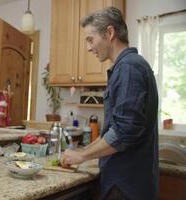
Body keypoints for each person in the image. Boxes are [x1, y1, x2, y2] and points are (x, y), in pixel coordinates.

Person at [60, 7, 159, 200]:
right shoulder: (126, 67)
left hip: (126, 185)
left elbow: (123, 132)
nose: (88, 48)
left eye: (90, 39)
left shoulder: (129, 67)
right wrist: (82, 151)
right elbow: (112, 130)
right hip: (126, 182)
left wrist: (81, 156)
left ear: (110, 33)